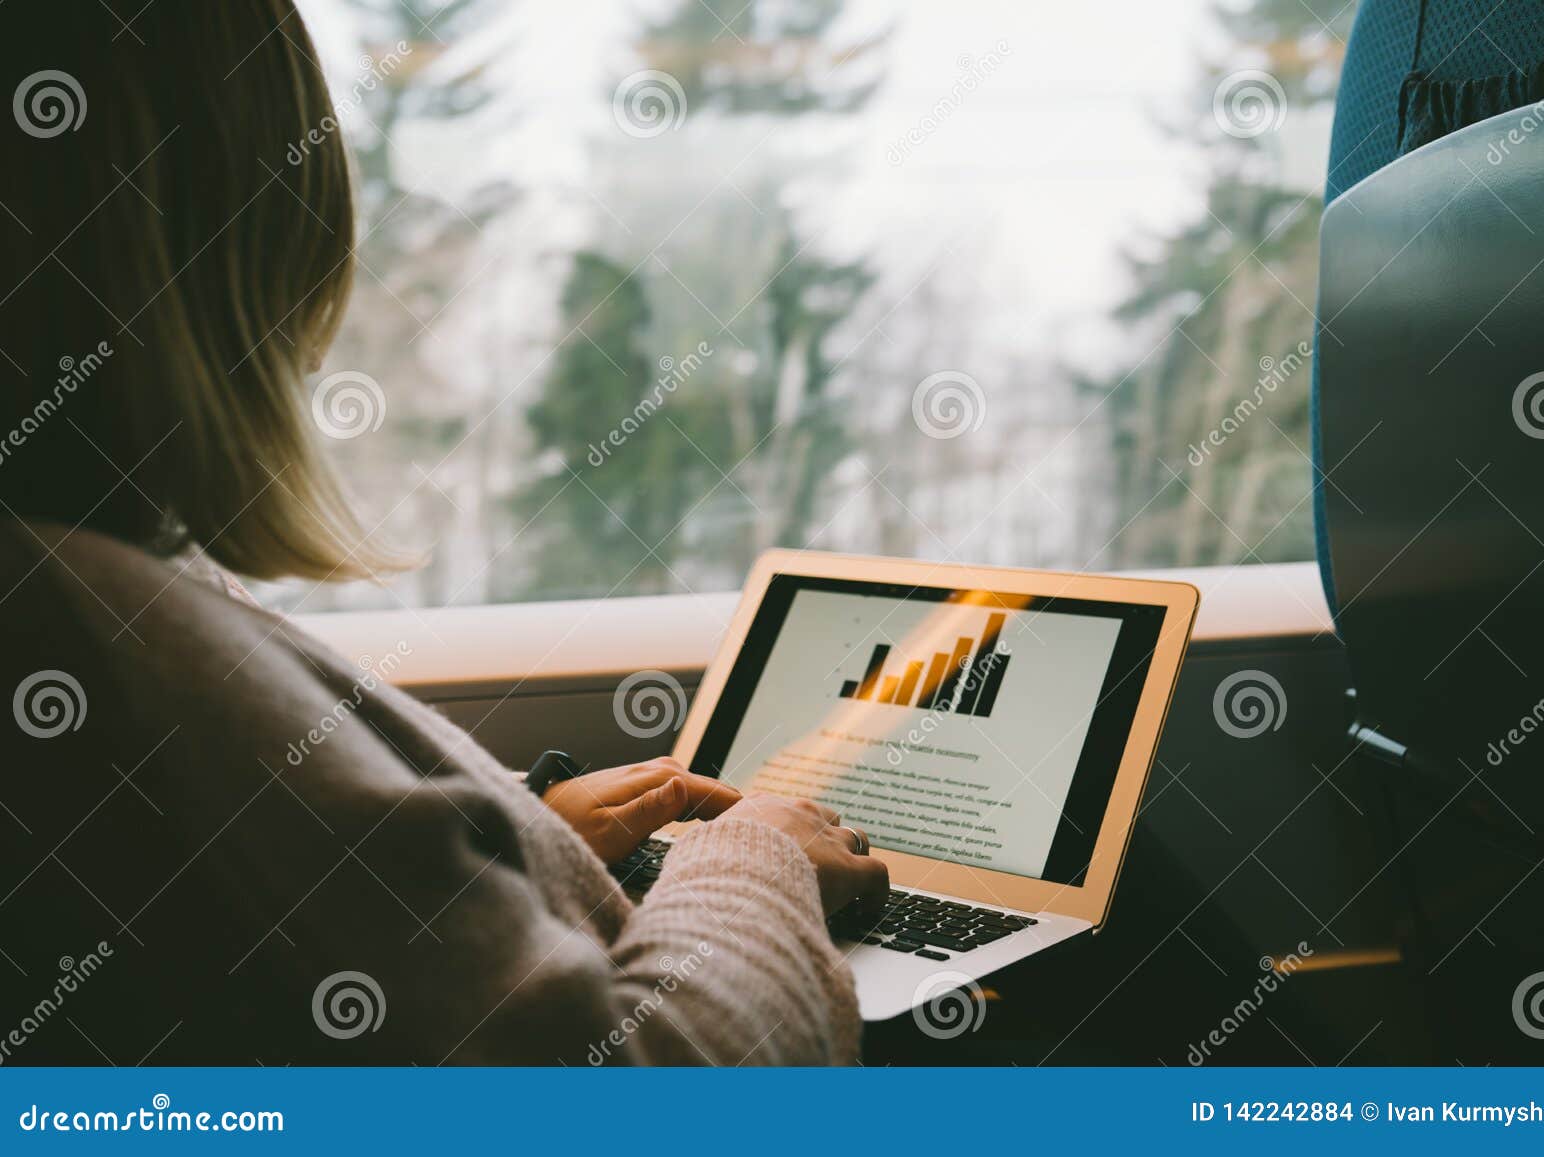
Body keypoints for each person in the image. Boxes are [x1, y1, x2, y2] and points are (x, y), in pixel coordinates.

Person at [0, 0, 887, 1065]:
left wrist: (530, 839)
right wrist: (752, 860)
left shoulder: (85, 591)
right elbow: (637, 1085)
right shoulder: (80, 619)